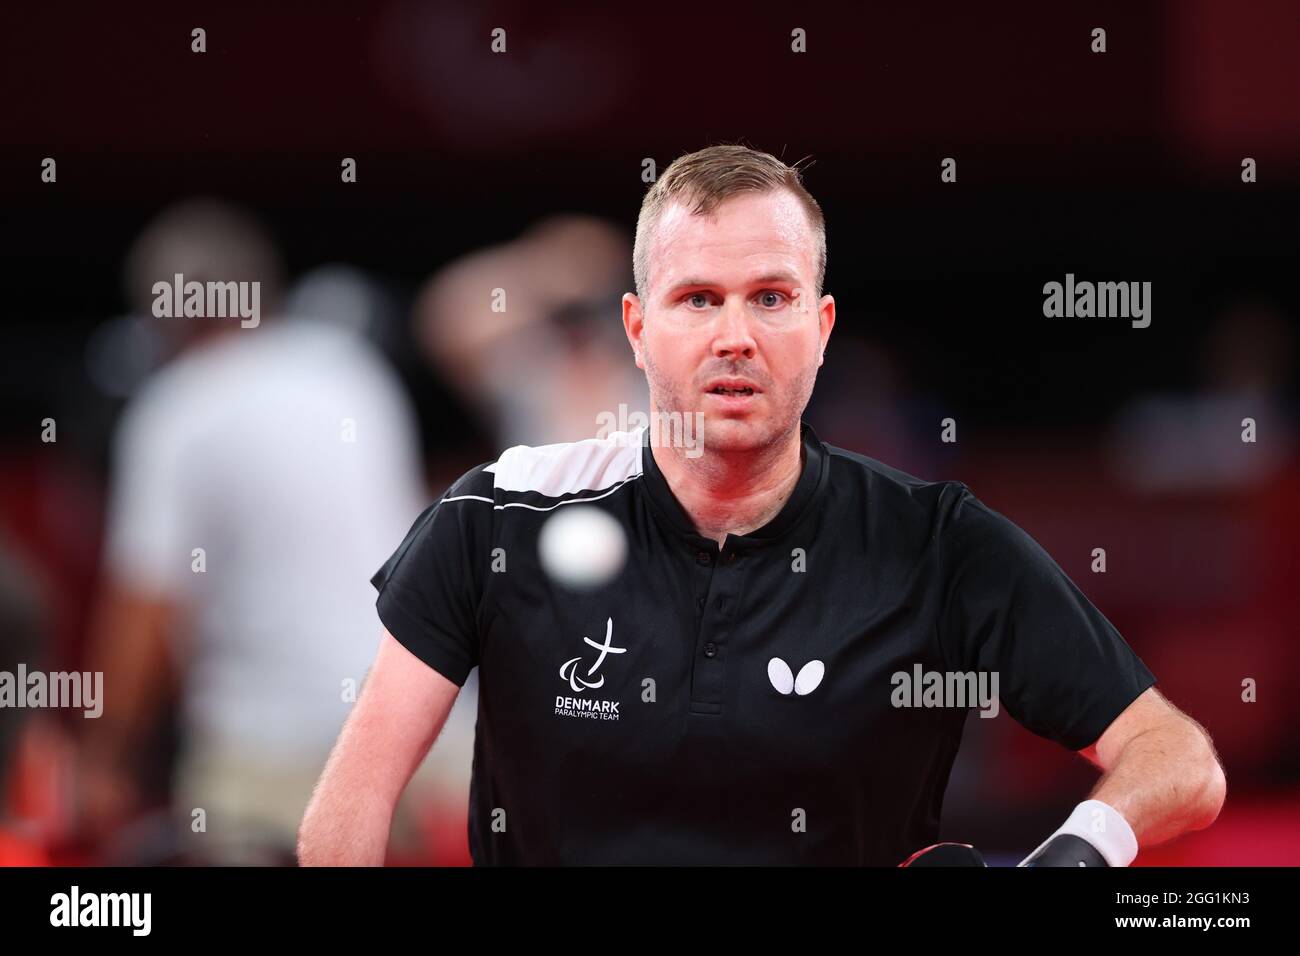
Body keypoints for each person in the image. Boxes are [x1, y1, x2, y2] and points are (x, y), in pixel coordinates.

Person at [299, 145, 1226, 866]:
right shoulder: (496, 518)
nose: (735, 337)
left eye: (771, 298)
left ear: (820, 329)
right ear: (637, 328)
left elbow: (1178, 757)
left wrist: (1073, 851)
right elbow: (349, 810)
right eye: (698, 299)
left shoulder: (938, 545)